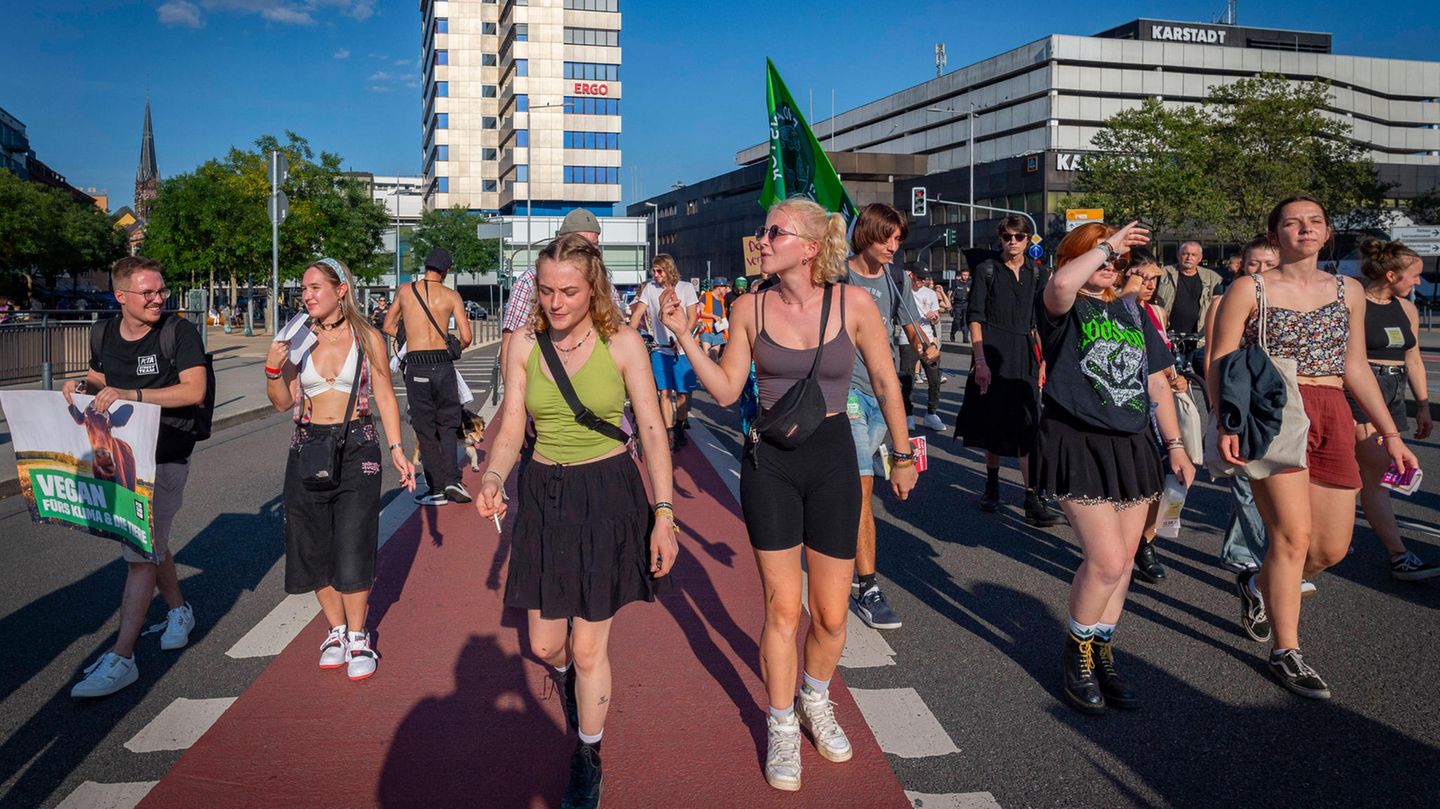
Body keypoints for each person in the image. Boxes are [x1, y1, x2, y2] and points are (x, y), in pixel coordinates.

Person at [659, 197, 915, 791]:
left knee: (830, 614)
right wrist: (684, 335)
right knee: (781, 608)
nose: (762, 239)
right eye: (763, 230)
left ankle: (814, 699)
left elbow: (885, 382)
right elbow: (727, 390)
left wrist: (902, 455)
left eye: (774, 232)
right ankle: (780, 724)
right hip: (770, 463)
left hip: (834, 458)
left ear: (809, 247)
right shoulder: (749, 307)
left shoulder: (852, 304)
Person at [476, 234, 677, 809]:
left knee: (589, 648)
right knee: (545, 645)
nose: (555, 302)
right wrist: (493, 477)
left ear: (594, 289)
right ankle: (573, 688)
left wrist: (664, 514)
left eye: (568, 291)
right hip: (543, 495)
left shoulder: (623, 344)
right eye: (546, 290)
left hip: (607, 494)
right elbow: (512, 425)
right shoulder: (523, 344)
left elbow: (653, 432)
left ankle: (588, 756)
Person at [1209, 196, 1418, 700]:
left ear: (1327, 234)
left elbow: (1355, 366)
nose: (1305, 228)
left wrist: (1391, 434)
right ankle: (1287, 651)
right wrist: (1225, 422)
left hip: (1332, 409)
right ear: (1275, 234)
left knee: (1331, 548)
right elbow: (1220, 359)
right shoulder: (1250, 287)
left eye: (1315, 222)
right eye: (1292, 222)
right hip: (1273, 410)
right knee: (1292, 537)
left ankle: (1257, 583)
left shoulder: (1348, 289)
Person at [1035, 222, 1195, 714]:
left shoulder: (1131, 310)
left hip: (1133, 445)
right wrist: (1108, 244)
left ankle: (1102, 645)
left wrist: (1176, 445)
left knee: (1124, 563)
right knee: (1104, 561)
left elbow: (1156, 382)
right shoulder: (1061, 305)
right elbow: (1064, 283)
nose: (1112, 266)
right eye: (1103, 257)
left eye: (1119, 261)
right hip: (1077, 441)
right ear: (1074, 257)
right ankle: (1077, 652)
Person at [63, 256, 208, 698]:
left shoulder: (177, 332)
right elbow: (97, 378)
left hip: (165, 458)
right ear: (120, 296)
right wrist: (79, 387)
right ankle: (179, 610)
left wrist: (132, 395)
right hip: (122, 459)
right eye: (148, 292)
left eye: (161, 290)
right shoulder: (103, 333)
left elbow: (194, 390)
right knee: (150, 539)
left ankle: (123, 656)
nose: (158, 298)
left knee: (140, 549)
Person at [265, 258, 416, 680]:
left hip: (358, 445)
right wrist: (273, 368)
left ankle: (357, 634)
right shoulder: (297, 336)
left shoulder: (368, 336)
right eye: (304, 288)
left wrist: (397, 448)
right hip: (308, 447)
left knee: (353, 538)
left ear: (341, 290)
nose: (307, 295)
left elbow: (384, 393)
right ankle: (335, 630)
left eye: (315, 287)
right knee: (313, 543)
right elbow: (281, 402)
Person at [843, 203, 936, 631]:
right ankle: (868, 588)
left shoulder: (896, 279)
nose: (893, 246)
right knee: (862, 485)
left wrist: (925, 346)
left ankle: (840, 548)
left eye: (898, 239)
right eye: (886, 237)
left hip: (882, 395)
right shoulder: (838, 277)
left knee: (850, 488)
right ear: (866, 234)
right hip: (844, 394)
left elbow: (911, 326)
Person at [956, 216, 1062, 526]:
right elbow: (975, 317)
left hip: (1025, 353)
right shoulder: (987, 270)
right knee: (993, 423)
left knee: (1029, 425)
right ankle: (992, 485)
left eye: (1018, 236)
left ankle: (1032, 498)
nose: (1012, 241)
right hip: (992, 350)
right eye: (1007, 236)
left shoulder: (1039, 273)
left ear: (1028, 240)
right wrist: (980, 361)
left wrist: (1044, 361)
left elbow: (1039, 321)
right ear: (1000, 239)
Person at [1351, 239, 1440, 580]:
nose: (1418, 281)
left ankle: (1334, 535)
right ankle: (1398, 555)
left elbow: (1413, 359)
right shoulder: (1355, 302)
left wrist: (1423, 406)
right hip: (1362, 389)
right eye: (1414, 275)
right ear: (1391, 275)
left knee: (1367, 475)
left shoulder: (1407, 309)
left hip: (1394, 391)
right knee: (1375, 474)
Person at [1205, 236, 1280, 576]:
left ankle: (1243, 547)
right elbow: (1214, 357)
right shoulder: (1224, 301)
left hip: (1280, 400)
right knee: (1248, 480)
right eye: (1254, 264)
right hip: (1242, 401)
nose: (1261, 270)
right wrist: (1219, 410)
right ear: (1241, 265)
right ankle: (1260, 561)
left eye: (1270, 264)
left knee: (1269, 482)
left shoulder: (1288, 298)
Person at [1117, 248, 1190, 585]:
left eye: (1154, 278)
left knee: (1162, 484)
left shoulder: (1156, 311)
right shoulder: (1116, 306)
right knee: (1128, 487)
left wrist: (1176, 377)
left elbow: (1162, 359)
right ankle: (1119, 550)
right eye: (1142, 276)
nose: (1149, 284)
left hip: (1157, 408)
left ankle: (1145, 544)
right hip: (1124, 406)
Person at [384, 248, 473, 506]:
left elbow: (388, 325)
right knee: (448, 424)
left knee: (425, 429)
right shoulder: (451, 296)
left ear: (425, 266)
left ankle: (436, 488)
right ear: (446, 271)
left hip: (417, 366)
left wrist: (411, 336)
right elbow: (466, 337)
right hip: (443, 365)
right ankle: (453, 480)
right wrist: (452, 346)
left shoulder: (405, 291)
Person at [499, 209, 615, 372]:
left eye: (593, 246)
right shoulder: (529, 280)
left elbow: (614, 332)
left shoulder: (606, 285)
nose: (587, 252)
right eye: (579, 244)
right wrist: (510, 382)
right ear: (560, 241)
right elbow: (510, 340)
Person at [628, 254, 699, 450]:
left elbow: (693, 318)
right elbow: (637, 314)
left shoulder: (686, 288)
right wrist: (628, 337)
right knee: (664, 392)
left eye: (659, 270)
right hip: (660, 349)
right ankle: (669, 433)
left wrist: (682, 338)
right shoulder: (650, 288)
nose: (655, 274)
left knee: (682, 393)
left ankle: (679, 426)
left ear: (668, 270)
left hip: (682, 350)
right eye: (653, 270)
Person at [1155, 241, 1222, 368]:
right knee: (1173, 374)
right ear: (1178, 255)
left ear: (1200, 258)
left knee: (1203, 375)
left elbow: (1217, 306)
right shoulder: (1164, 274)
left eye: (1193, 255)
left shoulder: (1211, 278)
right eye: (1185, 254)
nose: (1189, 257)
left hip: (1200, 340)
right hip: (1170, 337)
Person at [898, 264, 945, 431]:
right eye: (919, 278)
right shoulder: (903, 291)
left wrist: (934, 317)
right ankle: (908, 414)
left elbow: (937, 317)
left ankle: (931, 414)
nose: (922, 282)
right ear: (911, 275)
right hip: (907, 338)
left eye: (925, 279)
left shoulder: (930, 293)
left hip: (927, 338)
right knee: (907, 379)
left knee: (934, 378)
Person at [698, 277, 731, 360]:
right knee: (707, 356)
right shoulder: (706, 296)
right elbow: (700, 312)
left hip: (718, 332)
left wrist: (726, 331)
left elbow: (723, 316)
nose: (726, 289)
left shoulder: (722, 300)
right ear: (719, 287)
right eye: (725, 287)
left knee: (714, 357)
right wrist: (713, 316)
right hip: (706, 331)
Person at [949, 269, 972, 343]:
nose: (965, 276)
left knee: (965, 321)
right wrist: (949, 304)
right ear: (961, 275)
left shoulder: (970, 283)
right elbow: (950, 292)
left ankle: (965, 338)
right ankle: (953, 333)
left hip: (966, 304)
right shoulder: (956, 283)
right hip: (957, 304)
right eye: (964, 275)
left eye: (967, 275)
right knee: (957, 321)